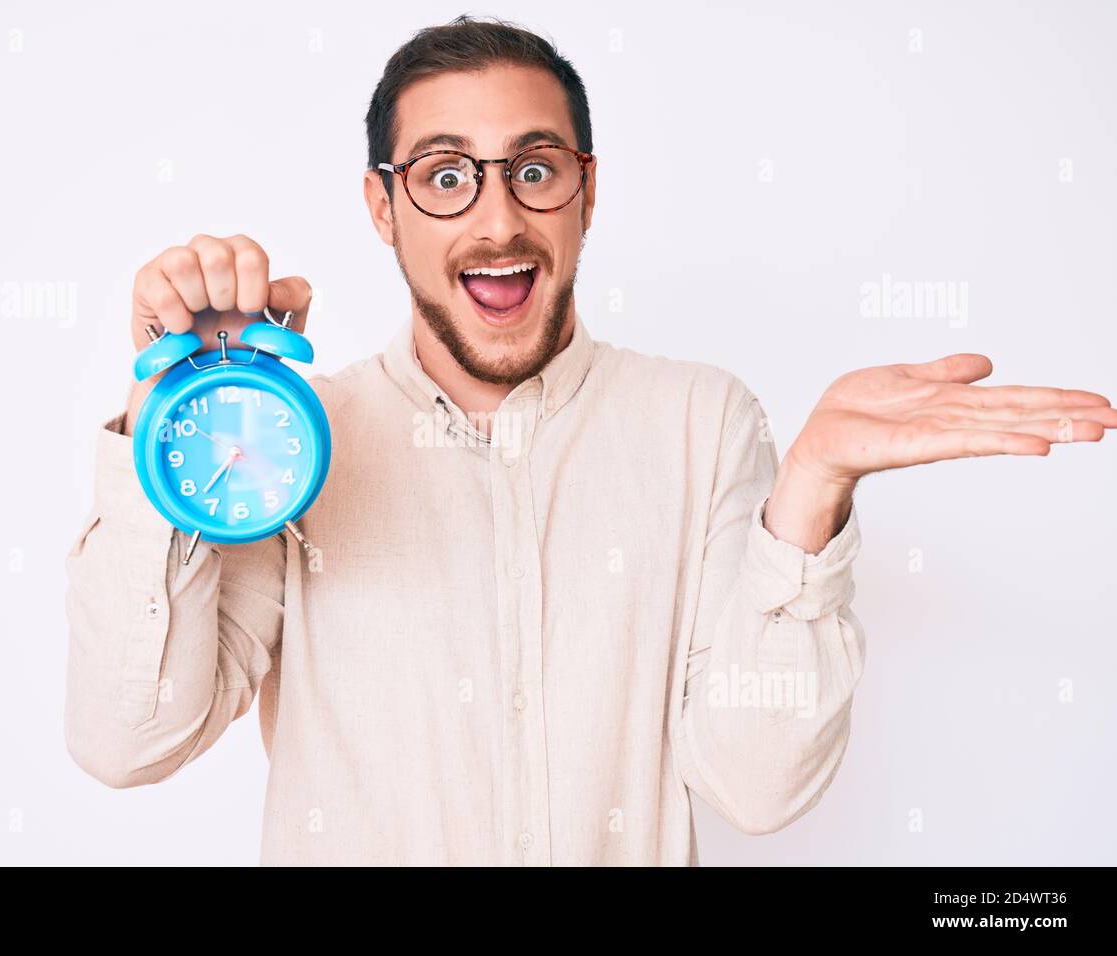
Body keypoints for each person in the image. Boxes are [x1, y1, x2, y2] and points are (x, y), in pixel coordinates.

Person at [63, 15, 1116, 865]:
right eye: (442, 174)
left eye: (533, 168)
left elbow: (755, 787)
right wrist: (183, 418)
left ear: (588, 189)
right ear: (382, 209)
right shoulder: (283, 446)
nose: (497, 219)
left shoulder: (702, 422)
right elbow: (125, 743)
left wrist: (808, 500)